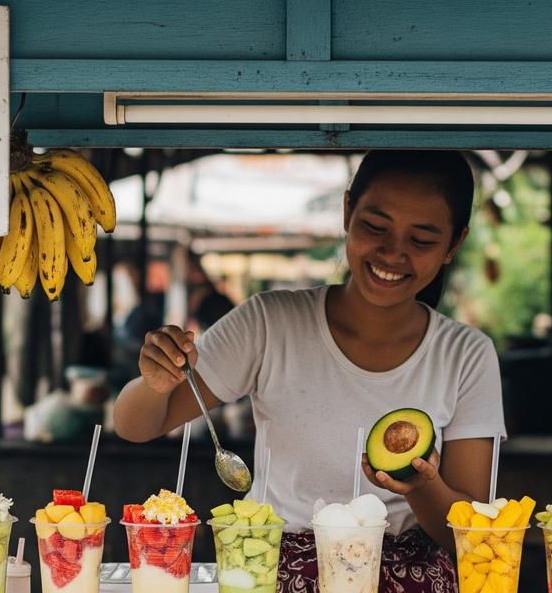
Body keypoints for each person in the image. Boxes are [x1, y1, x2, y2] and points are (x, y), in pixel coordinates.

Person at [114, 150, 505, 593]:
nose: (393, 252)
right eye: (375, 226)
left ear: (454, 244)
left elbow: (472, 538)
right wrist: (155, 383)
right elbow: (133, 426)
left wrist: (419, 486)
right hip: (276, 574)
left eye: (422, 240)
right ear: (346, 211)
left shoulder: (466, 354)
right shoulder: (269, 323)